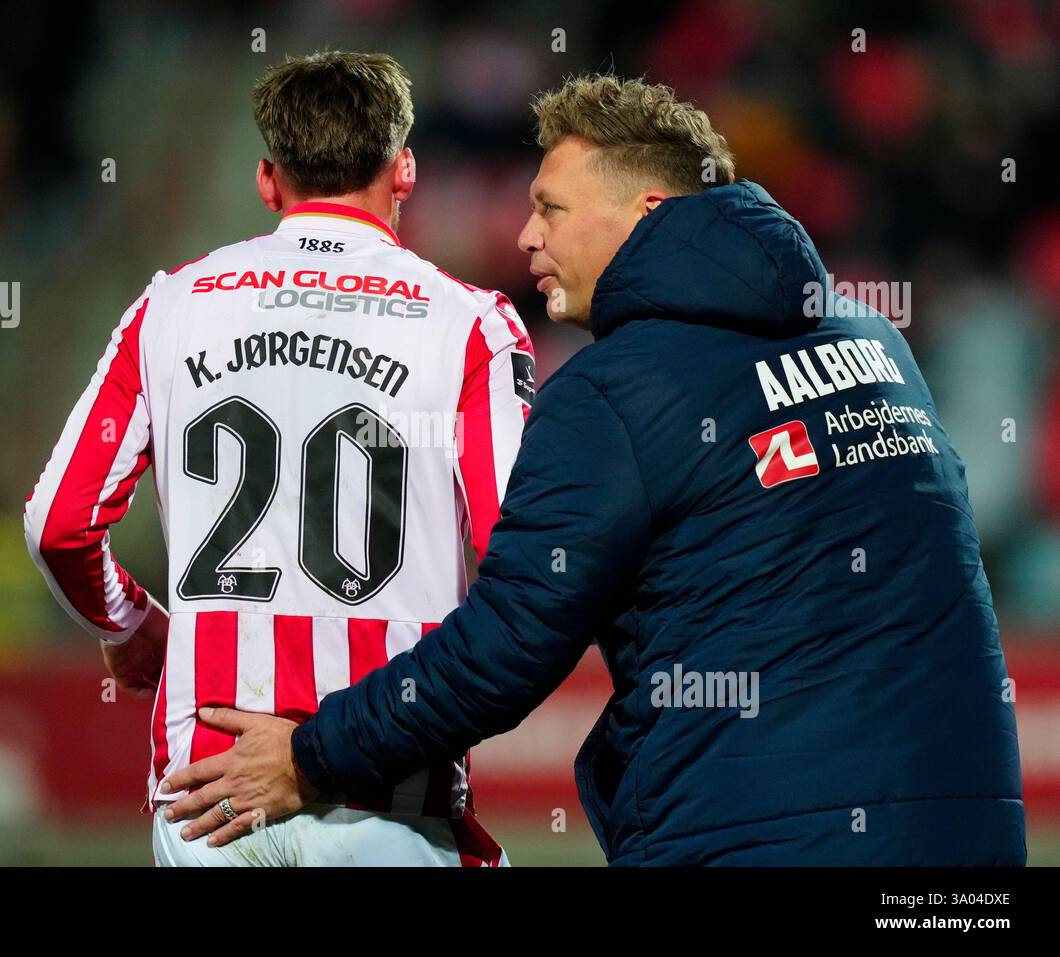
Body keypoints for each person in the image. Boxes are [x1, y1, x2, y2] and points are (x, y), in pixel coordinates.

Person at [160, 74, 1027, 867]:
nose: (528, 233)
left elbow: (505, 647)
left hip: (758, 837)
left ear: (645, 209)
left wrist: (312, 753)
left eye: (552, 207)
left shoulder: (615, 391)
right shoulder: (874, 342)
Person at [23, 51, 534, 866]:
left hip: (208, 802)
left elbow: (56, 524)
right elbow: (523, 553)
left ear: (268, 180)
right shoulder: (469, 323)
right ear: (404, 171)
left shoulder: (171, 306)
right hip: (388, 792)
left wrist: (134, 623)